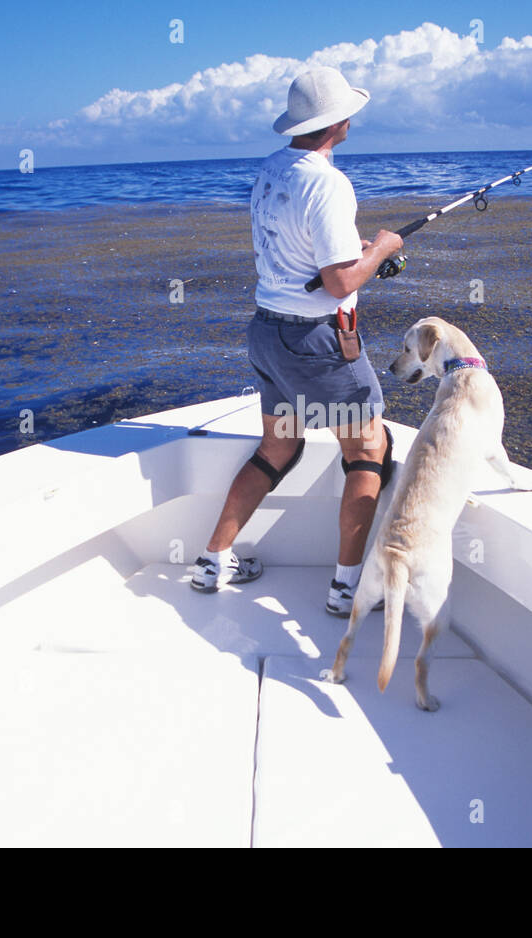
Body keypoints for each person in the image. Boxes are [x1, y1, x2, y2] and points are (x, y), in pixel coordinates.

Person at [190, 65, 404, 616]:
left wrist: (350, 250)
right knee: (367, 449)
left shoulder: (270, 170)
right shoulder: (329, 182)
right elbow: (337, 284)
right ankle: (347, 590)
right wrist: (379, 250)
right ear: (339, 121)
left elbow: (298, 248)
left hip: (267, 334)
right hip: (318, 343)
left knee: (279, 447)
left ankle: (214, 561)